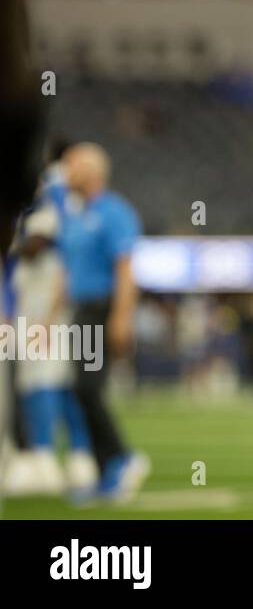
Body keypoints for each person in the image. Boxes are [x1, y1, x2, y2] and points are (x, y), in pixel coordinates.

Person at [57, 142, 150, 503]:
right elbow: (68, 272)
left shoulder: (113, 212)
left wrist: (121, 317)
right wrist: (49, 318)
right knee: (82, 390)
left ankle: (122, 459)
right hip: (82, 311)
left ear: (92, 171)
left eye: (72, 165)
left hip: (100, 310)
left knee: (87, 388)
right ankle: (106, 469)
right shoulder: (76, 214)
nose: (65, 172)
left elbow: (125, 269)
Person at [5, 204, 96, 496]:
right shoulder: (23, 264)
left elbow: (62, 290)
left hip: (51, 332)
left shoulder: (56, 260)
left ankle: (61, 455)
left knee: (51, 389)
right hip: (27, 330)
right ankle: (49, 456)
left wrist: (47, 322)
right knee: (34, 389)